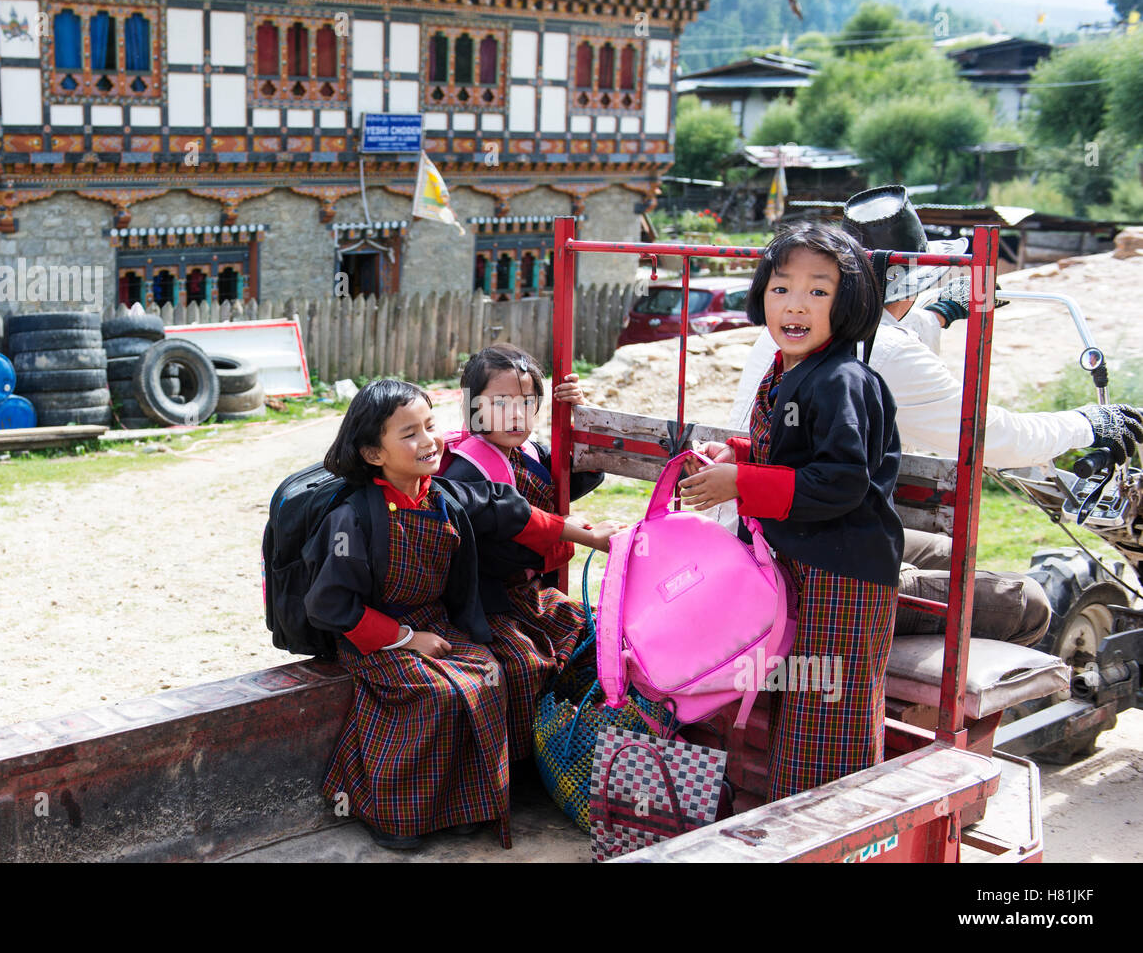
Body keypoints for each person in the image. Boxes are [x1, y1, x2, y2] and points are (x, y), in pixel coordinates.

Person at [726, 185, 1143, 647]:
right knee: (1027, 601)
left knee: (948, 553)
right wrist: (1087, 423)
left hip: (753, 532)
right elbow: (994, 436)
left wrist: (942, 313)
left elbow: (885, 334)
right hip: (806, 571)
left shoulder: (787, 329)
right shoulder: (872, 358)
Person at [305, 379, 621, 850]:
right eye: (408, 433)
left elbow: (508, 511)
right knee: (440, 691)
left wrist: (584, 535)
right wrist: (406, 638)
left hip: (434, 622)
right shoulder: (352, 519)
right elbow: (330, 605)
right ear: (374, 453)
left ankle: (459, 803)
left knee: (492, 672)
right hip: (372, 635)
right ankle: (392, 815)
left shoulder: (442, 495)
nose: (428, 440)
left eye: (430, 426)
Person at [678, 221, 903, 801]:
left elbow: (841, 481)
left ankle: (831, 834)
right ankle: (790, 823)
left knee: (828, 714)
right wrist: (739, 456)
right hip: (801, 562)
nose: (795, 305)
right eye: (781, 288)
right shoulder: (789, 371)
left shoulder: (844, 379)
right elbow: (798, 456)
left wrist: (743, 483)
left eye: (818, 291)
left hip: (845, 573)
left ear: (849, 303)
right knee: (798, 702)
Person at [441, 344, 618, 761]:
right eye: (500, 403)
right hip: (486, 604)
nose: (517, 415)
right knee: (523, 666)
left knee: (595, 634)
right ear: (471, 407)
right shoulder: (467, 468)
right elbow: (507, 525)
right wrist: (578, 536)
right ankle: (517, 765)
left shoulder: (529, 453)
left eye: (528, 402)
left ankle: (571, 738)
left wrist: (576, 416)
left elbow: (577, 476)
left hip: (530, 595)